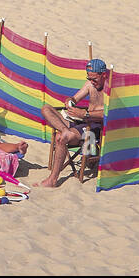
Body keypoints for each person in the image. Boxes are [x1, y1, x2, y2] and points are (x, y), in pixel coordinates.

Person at [38, 58, 110, 188]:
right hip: (81, 121)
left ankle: (53, 180)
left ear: (103, 75)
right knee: (46, 109)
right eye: (89, 78)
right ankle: (65, 130)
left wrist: (85, 114)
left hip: (94, 128)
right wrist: (70, 102)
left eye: (94, 79)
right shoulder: (90, 84)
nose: (92, 82)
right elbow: (75, 98)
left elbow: (109, 113)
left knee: (61, 138)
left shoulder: (110, 90)